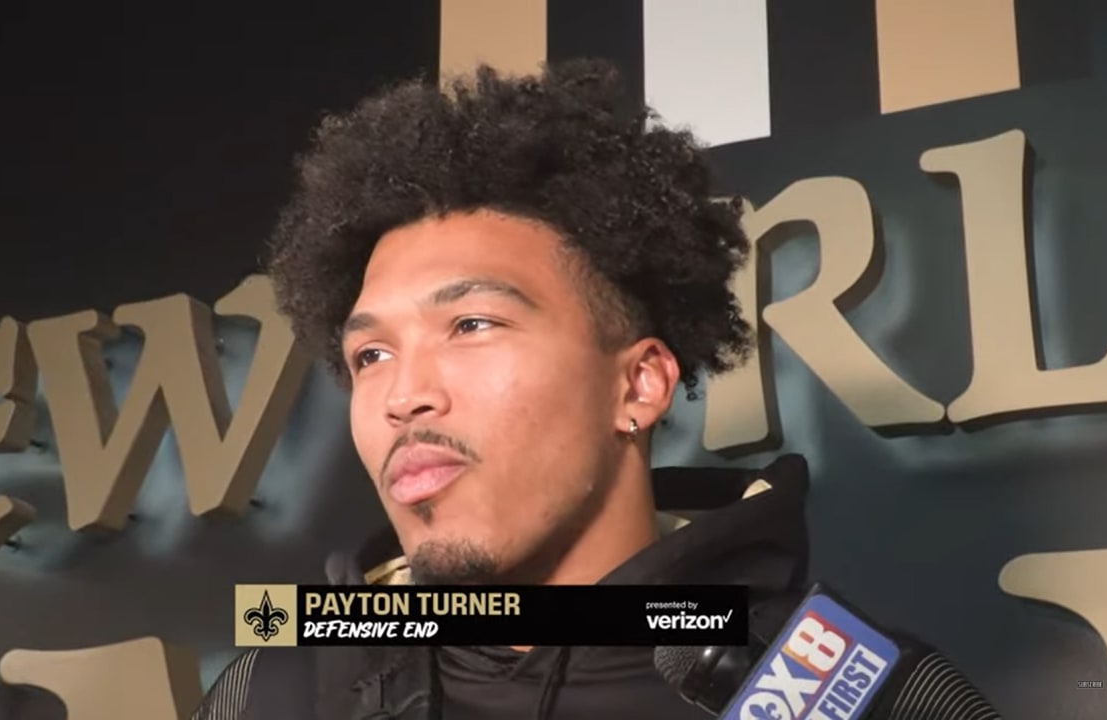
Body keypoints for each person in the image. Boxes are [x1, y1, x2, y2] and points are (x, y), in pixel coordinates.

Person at [193, 59, 816, 719]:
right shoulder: (269, 696)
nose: (403, 395)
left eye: (470, 324)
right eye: (371, 354)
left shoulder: (843, 688)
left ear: (639, 385)